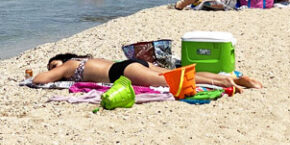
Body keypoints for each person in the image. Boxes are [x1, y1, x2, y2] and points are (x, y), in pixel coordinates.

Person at [32, 52, 262, 91]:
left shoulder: (68, 65)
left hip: (122, 71)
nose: (54, 69)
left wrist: (48, 72)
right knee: (172, 74)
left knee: (169, 81)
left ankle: (224, 83)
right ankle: (232, 77)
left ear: (63, 59)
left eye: (54, 64)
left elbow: (40, 80)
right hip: (130, 63)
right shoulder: (87, 60)